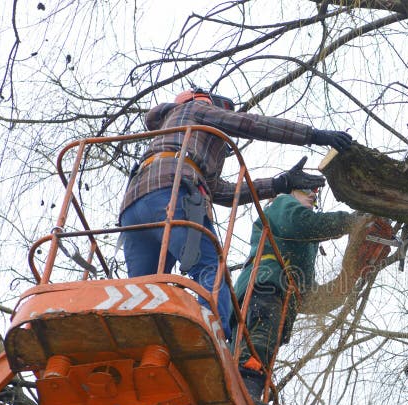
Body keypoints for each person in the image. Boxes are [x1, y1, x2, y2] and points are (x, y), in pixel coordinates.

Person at [119, 87, 353, 339]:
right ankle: (215, 338)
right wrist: (313, 135)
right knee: (210, 270)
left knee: (144, 291)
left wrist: (280, 183)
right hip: (172, 191)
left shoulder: (179, 140)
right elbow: (249, 124)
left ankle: (136, 342)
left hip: (133, 206)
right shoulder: (195, 109)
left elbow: (222, 192)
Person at [231, 170, 392, 405]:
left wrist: (348, 277)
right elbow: (304, 223)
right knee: (258, 340)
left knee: (264, 344)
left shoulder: (306, 247)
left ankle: (249, 392)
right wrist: (353, 222)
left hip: (281, 300)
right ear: (291, 191)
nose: (312, 199)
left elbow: (311, 299)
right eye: (308, 192)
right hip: (264, 286)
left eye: (315, 198)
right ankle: (246, 388)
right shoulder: (282, 205)